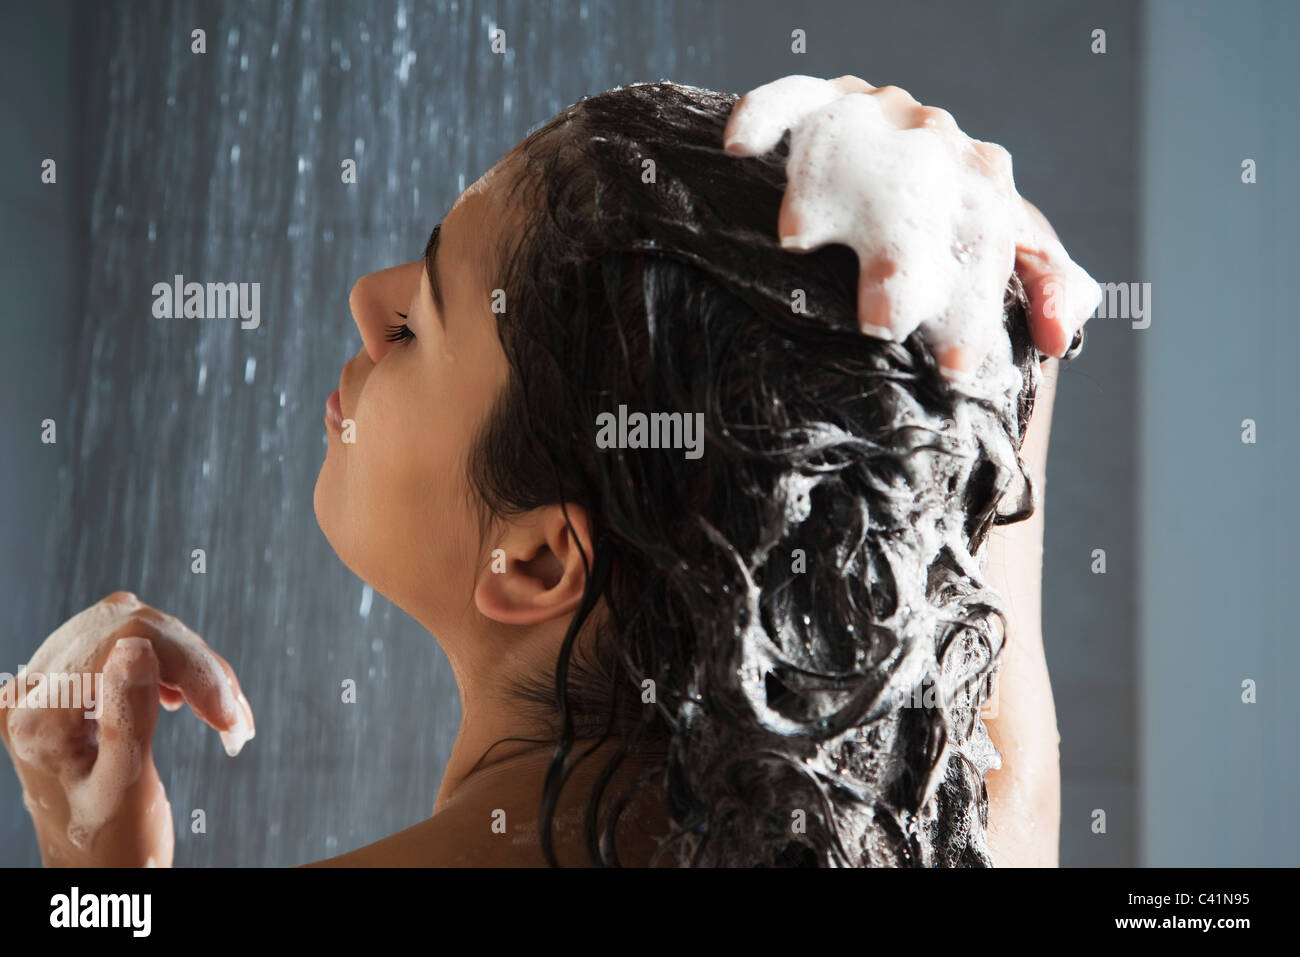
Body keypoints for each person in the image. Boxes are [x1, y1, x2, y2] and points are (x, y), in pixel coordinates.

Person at [2, 79, 1077, 867]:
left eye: (420, 322)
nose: (367, 302)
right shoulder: (957, 822)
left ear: (532, 557)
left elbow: (1001, 334)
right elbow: (975, 415)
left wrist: (90, 863)